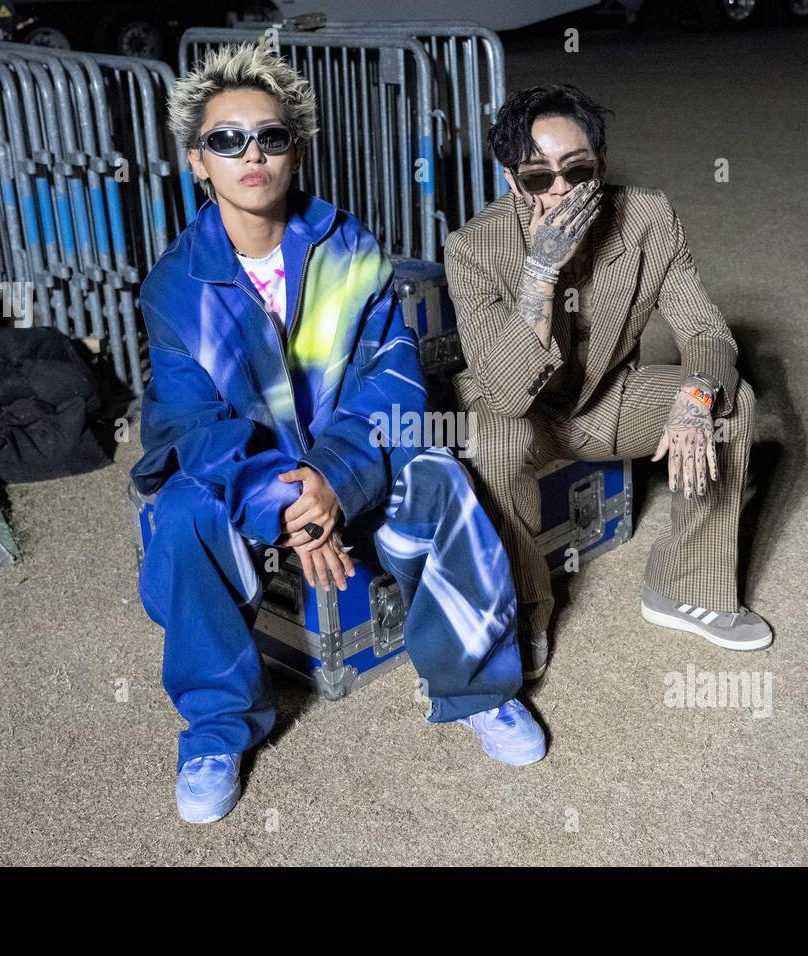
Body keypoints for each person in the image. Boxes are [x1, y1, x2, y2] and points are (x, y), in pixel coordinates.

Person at [130, 44, 545, 824]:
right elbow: (191, 423)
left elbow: (389, 380)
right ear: (197, 163)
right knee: (183, 514)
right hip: (248, 477)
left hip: (350, 455)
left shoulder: (347, 247)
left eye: (271, 136)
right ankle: (220, 726)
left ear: (296, 149)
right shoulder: (175, 284)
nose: (252, 154)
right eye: (227, 140)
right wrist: (288, 501)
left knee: (443, 479)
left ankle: (477, 686)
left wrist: (331, 477)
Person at [444, 84, 774, 680]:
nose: (563, 190)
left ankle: (685, 585)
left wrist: (697, 398)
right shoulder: (473, 248)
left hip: (607, 400)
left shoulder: (648, 217)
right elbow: (506, 389)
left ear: (604, 161)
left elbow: (706, 332)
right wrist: (540, 272)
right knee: (489, 442)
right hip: (517, 410)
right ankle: (523, 610)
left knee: (729, 403)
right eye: (538, 178)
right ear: (509, 179)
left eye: (578, 170)